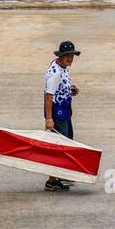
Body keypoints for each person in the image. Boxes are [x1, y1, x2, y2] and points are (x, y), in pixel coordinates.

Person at [42, 41, 82, 192]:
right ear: (61, 56)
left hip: (64, 111)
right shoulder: (55, 72)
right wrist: (49, 119)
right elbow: (48, 96)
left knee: (67, 142)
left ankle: (61, 173)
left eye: (72, 55)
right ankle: (52, 181)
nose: (70, 58)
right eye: (67, 56)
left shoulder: (62, 67)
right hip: (57, 114)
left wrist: (69, 90)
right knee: (58, 146)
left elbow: (58, 88)